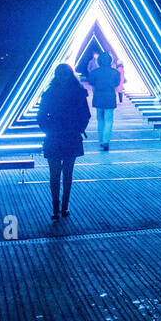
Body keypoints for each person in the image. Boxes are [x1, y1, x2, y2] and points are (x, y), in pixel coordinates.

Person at [37, 63, 91, 219]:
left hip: (57, 136)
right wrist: (78, 128)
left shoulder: (49, 93)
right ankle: (61, 207)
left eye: (64, 74)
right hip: (68, 136)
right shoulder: (78, 93)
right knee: (65, 173)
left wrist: (48, 128)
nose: (62, 77)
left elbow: (41, 116)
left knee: (58, 173)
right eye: (60, 74)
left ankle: (58, 208)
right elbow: (85, 115)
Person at [85, 51, 121, 151]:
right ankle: (106, 141)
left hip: (98, 97)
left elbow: (91, 82)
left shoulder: (94, 72)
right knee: (109, 120)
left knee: (100, 120)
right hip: (110, 97)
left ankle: (101, 141)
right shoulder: (115, 72)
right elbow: (116, 83)